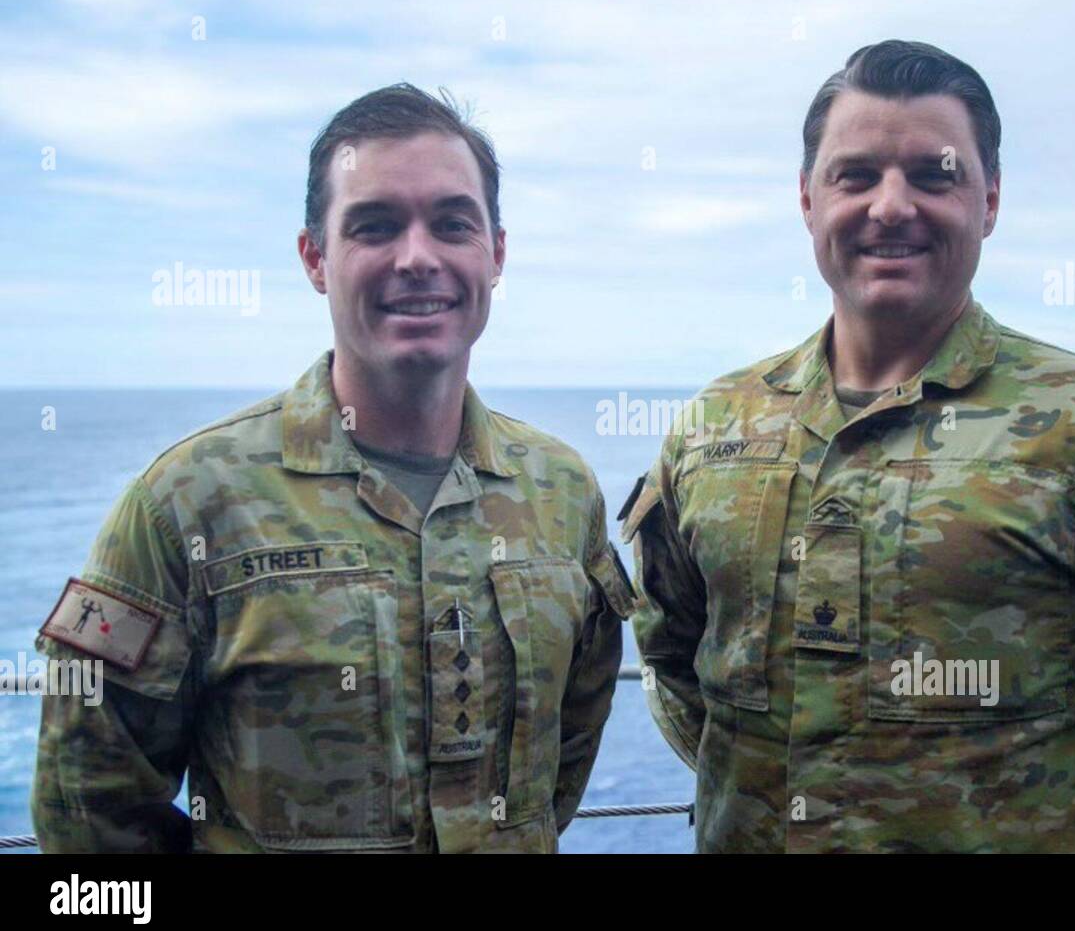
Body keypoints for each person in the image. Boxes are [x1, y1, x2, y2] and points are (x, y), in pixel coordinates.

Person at [621, 41, 1075, 853]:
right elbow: (676, 665)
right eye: (854, 175)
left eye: (934, 175)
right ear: (807, 199)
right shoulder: (713, 426)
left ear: (990, 199)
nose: (890, 206)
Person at [32, 83, 633, 853]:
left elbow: (561, 759)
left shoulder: (560, 492)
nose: (418, 258)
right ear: (316, 258)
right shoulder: (188, 503)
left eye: (452, 223)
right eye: (375, 226)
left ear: (496, 253)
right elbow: (90, 812)